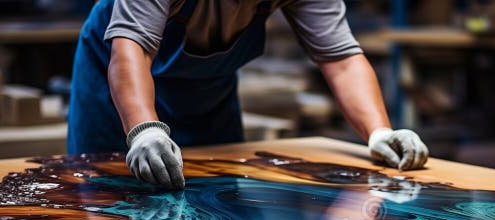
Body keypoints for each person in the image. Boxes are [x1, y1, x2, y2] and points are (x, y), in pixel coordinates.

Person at [68, 0, 429, 190]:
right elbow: (132, 48)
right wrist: (143, 129)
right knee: (108, 208)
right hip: (118, 90)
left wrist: (379, 131)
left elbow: (341, 58)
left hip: (207, 97)